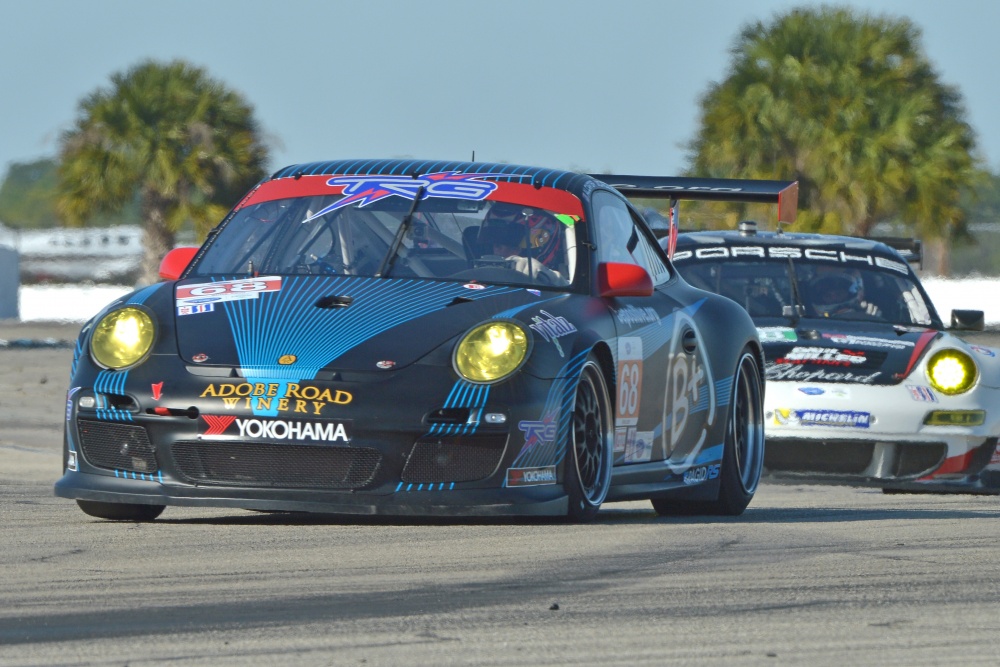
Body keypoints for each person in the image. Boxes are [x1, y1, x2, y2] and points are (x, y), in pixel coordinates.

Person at [808, 270, 881, 318]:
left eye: (838, 294)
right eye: (828, 296)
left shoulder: (871, 317)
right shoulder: (807, 323)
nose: (834, 298)